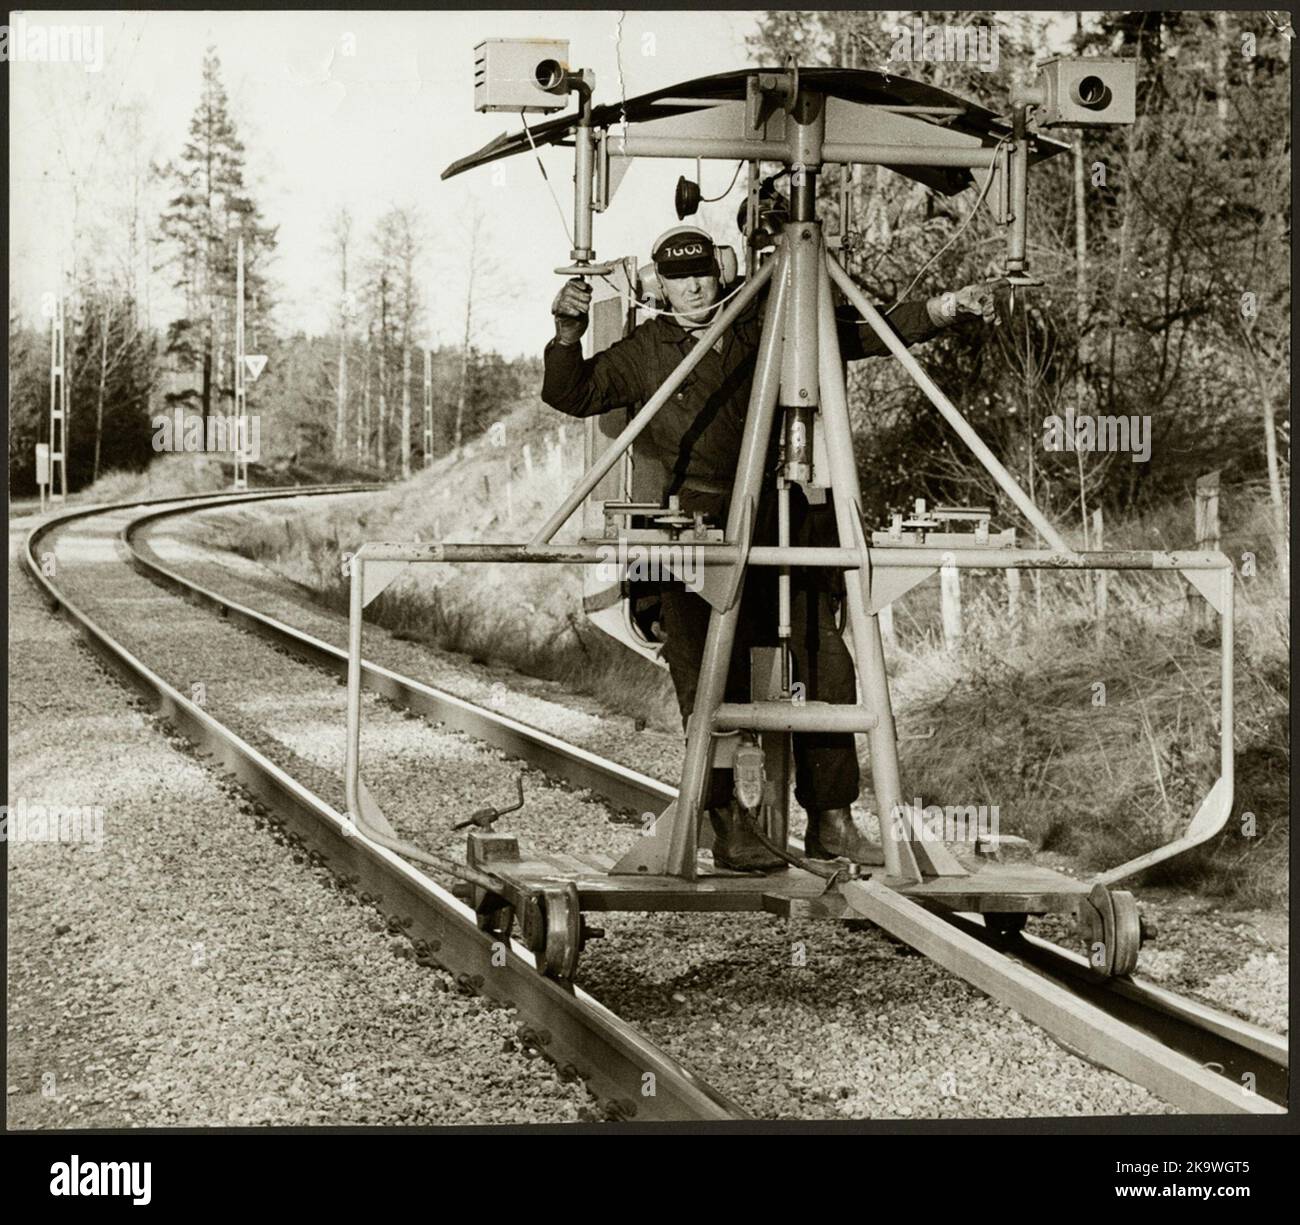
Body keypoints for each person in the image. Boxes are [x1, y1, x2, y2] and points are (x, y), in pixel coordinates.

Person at [542, 222, 1000, 871]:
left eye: (702, 270)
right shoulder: (647, 349)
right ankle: (725, 816)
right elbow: (571, 391)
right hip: (690, 525)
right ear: (661, 286)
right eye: (678, 276)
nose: (694, 285)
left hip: (775, 514)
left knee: (829, 658)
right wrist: (567, 333)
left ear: (722, 270)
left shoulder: (762, 326)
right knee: (707, 673)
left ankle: (832, 816)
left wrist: (944, 309)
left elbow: (854, 332)